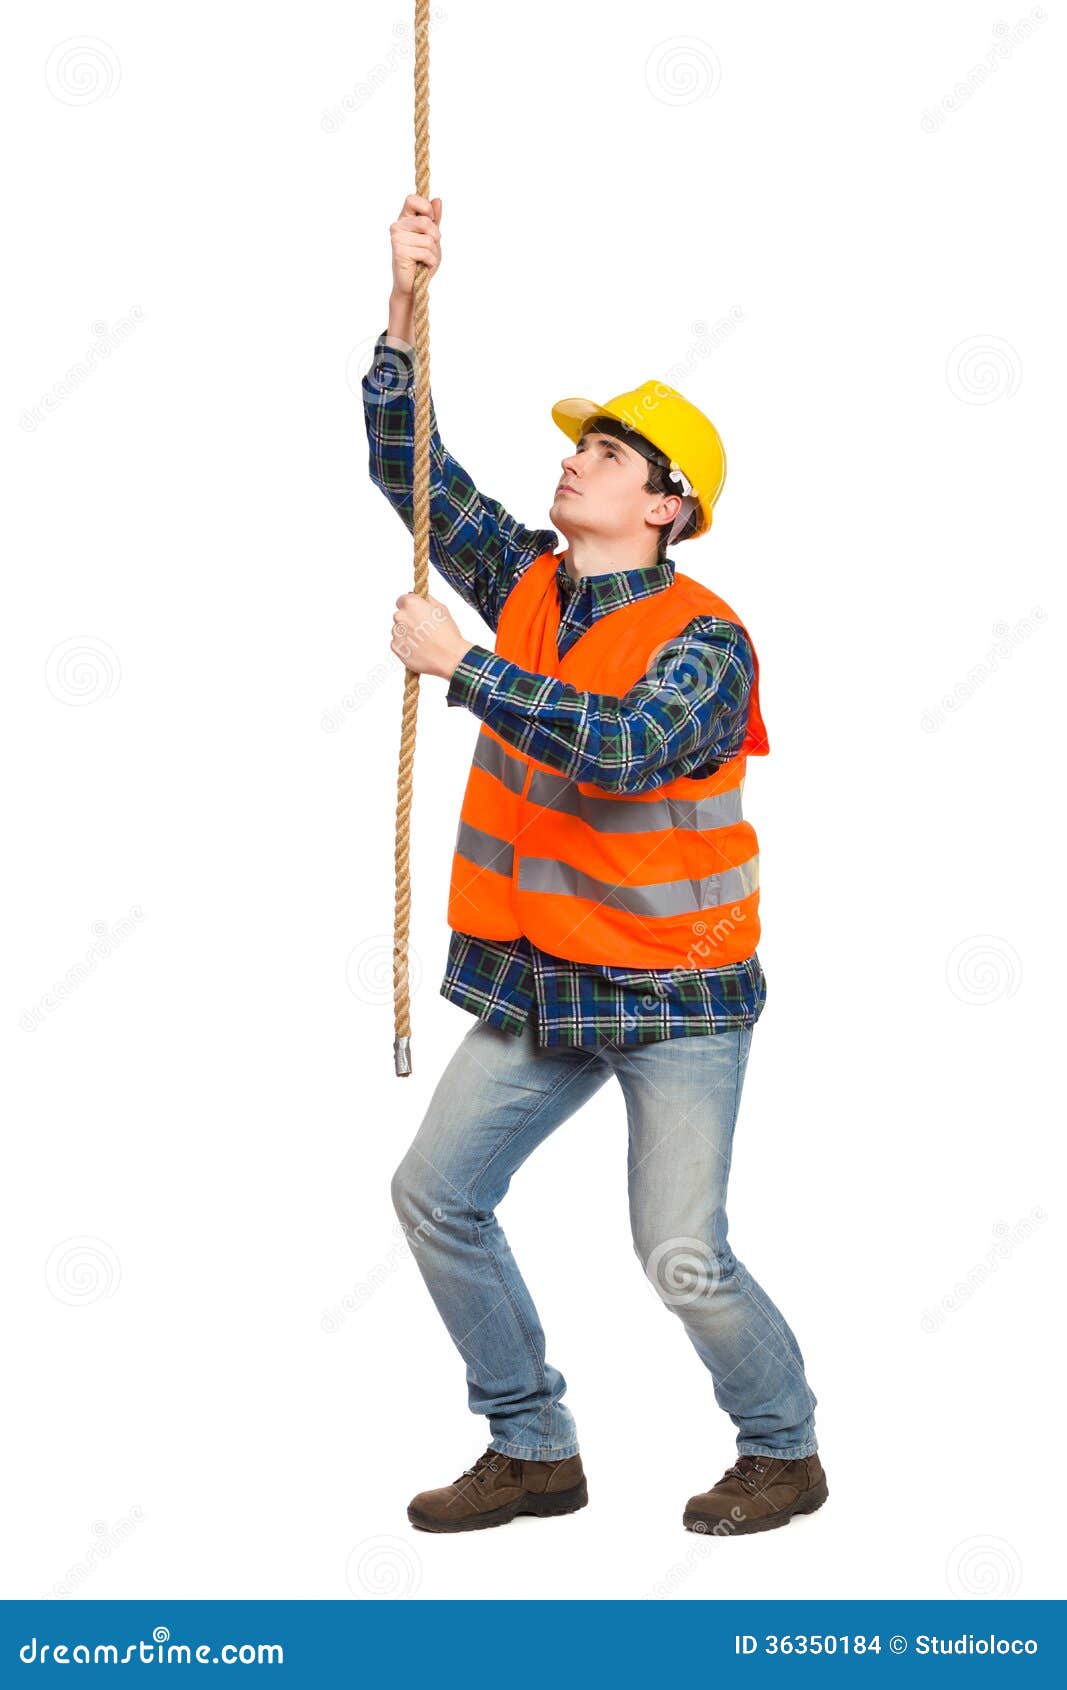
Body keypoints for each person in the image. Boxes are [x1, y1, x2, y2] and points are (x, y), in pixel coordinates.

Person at [364, 192, 826, 1536]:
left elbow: (620, 748)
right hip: (549, 984)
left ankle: (785, 1449)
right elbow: (415, 468)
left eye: (613, 453)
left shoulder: (705, 640)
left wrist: (464, 667)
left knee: (682, 1257)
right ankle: (532, 1443)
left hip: (676, 998)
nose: (578, 461)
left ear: (670, 506)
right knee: (435, 1194)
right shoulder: (523, 577)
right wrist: (400, 306)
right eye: (582, 445)